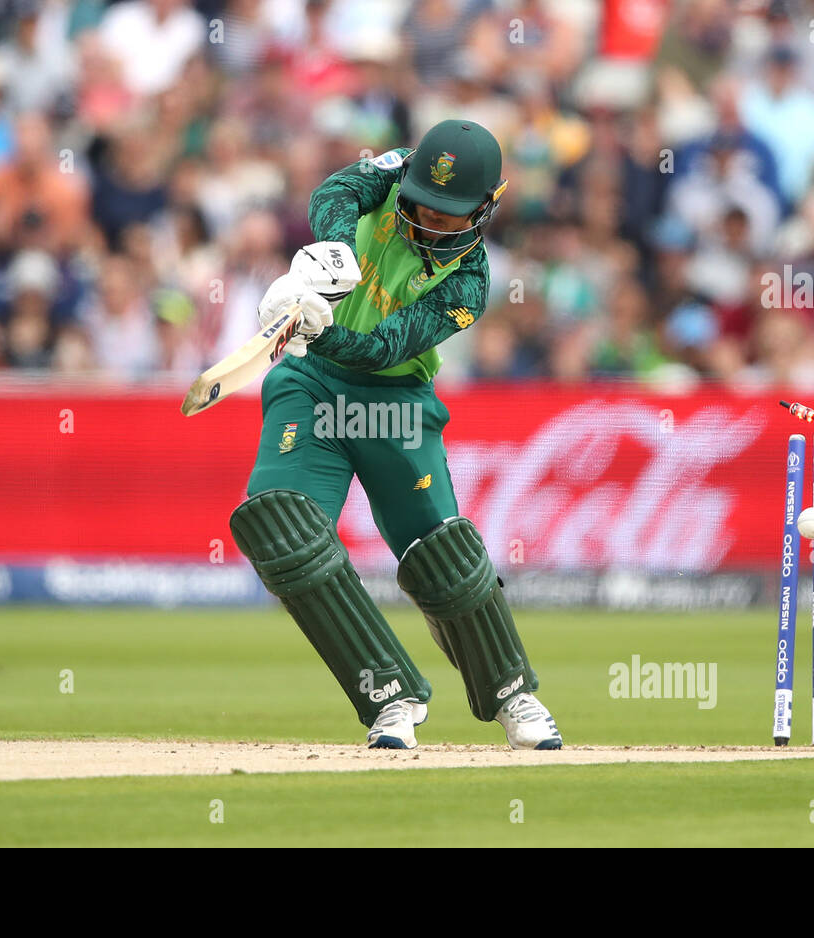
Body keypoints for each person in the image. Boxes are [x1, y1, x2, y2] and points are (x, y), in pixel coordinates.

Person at [228, 119, 563, 750]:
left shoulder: (469, 283)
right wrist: (334, 256)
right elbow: (333, 193)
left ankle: (513, 695)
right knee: (282, 532)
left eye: (449, 218)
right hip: (309, 384)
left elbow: (383, 348)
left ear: (486, 208)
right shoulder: (395, 171)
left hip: (394, 399)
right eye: (420, 210)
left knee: (444, 559)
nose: (428, 225)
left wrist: (319, 329)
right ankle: (390, 695)